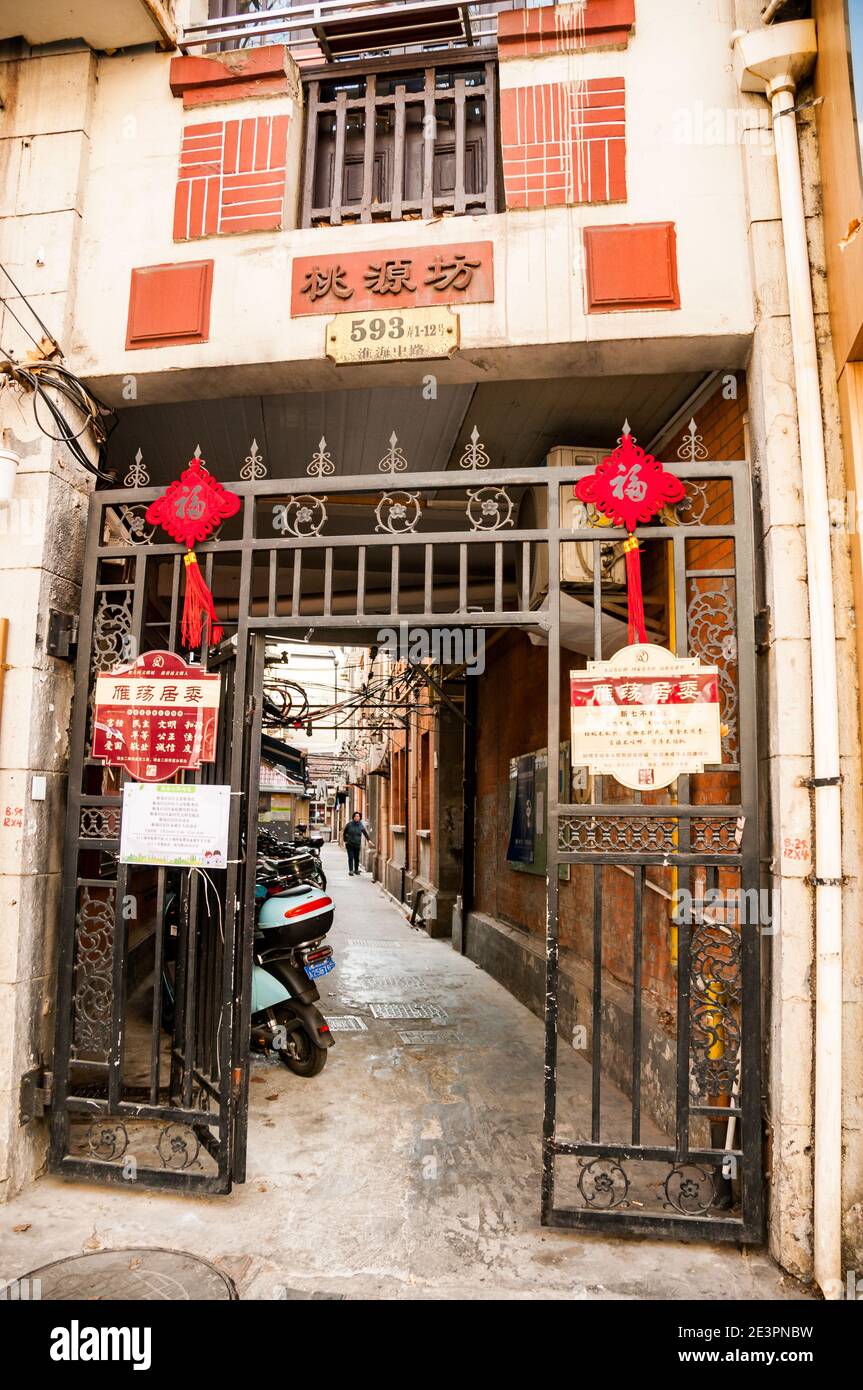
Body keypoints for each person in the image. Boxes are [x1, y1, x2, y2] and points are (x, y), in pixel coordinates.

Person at [343, 811, 372, 875]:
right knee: (351, 857)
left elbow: (365, 833)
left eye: (358, 816)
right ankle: (351, 870)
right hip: (350, 844)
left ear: (360, 818)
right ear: (353, 817)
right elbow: (344, 832)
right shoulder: (349, 824)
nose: (357, 817)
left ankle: (356, 870)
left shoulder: (361, 825)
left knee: (356, 858)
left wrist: (369, 840)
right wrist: (345, 841)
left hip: (357, 844)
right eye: (355, 816)